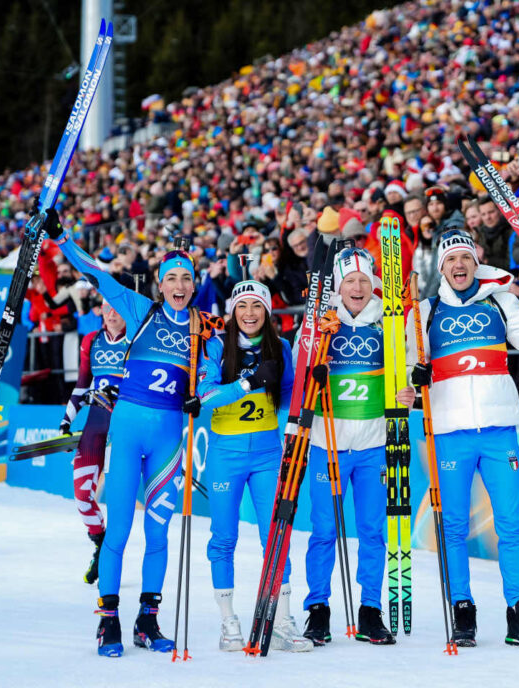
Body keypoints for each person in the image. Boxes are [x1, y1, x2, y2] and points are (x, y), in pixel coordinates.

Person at [43, 207, 210, 658]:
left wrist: (204, 397)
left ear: (193, 285)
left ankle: (147, 621)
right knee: (118, 529)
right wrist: (62, 238)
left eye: (185, 279)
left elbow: (212, 377)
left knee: (158, 533)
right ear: (160, 284)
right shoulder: (140, 309)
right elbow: (97, 274)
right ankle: (108, 620)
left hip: (169, 440)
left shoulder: (202, 329)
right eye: (171, 278)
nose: (178, 286)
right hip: (130, 427)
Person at [405, 230, 519, 649]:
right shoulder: (423, 313)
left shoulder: (500, 301)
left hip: (499, 430)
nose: (458, 265)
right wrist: (413, 378)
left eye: (465, 257)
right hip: (448, 433)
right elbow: (403, 381)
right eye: (451, 260)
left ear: (475, 263)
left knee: (512, 525)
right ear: (441, 267)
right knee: (454, 527)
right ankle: (463, 609)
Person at [301, 248, 416, 647]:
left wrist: (408, 391)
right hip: (326, 444)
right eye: (350, 281)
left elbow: (410, 366)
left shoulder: (388, 323)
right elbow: (300, 371)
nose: (357, 287)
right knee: (324, 530)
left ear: (373, 285)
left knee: (372, 530)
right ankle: (318, 609)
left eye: (365, 281)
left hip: (372, 444)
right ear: (338, 284)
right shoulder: (320, 320)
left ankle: (370, 609)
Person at [197, 280, 312, 653]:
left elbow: (291, 396)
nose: (249, 313)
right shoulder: (216, 346)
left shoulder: (279, 348)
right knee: (224, 537)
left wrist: (314, 383)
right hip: (225, 454)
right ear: (233, 310)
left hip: (267, 454)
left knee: (276, 535)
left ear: (267, 311)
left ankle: (281, 621)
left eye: (257, 306)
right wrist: (247, 383)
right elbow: (206, 396)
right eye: (243, 306)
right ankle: (229, 622)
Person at [58, 299, 128, 584]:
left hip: (124, 428)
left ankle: (112, 559)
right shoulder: (91, 341)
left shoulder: (136, 340)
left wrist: (116, 392)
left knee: (120, 500)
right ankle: (99, 544)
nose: (111, 314)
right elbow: (83, 384)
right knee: (82, 495)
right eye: (105, 308)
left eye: (117, 309)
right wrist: (66, 420)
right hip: (95, 425)